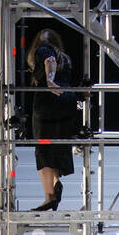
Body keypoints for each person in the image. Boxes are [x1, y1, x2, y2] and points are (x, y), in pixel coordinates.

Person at [27, 28, 79, 211]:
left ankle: (49, 196)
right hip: (66, 102)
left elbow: (49, 60)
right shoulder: (66, 57)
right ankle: (56, 183)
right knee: (57, 145)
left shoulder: (43, 50)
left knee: (43, 148)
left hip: (48, 102)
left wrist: (49, 80)